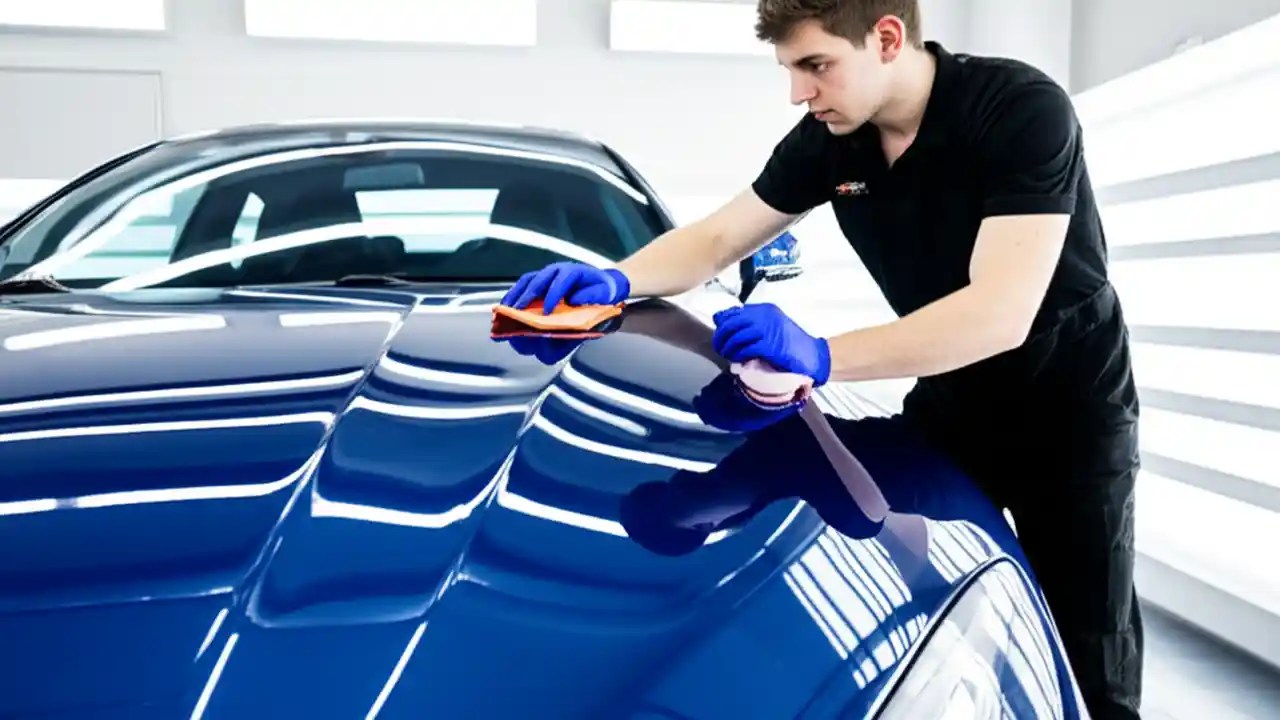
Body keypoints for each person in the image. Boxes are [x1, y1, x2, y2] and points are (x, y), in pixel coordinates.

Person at [498, 1, 1142, 716]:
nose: (799, 93)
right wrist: (620, 278)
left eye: (815, 66)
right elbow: (718, 239)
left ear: (887, 38)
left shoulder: (1019, 110)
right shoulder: (832, 141)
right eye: (790, 70)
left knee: (1091, 659)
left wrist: (819, 356)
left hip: (1069, 418)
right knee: (823, 491)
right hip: (951, 407)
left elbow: (1000, 314)